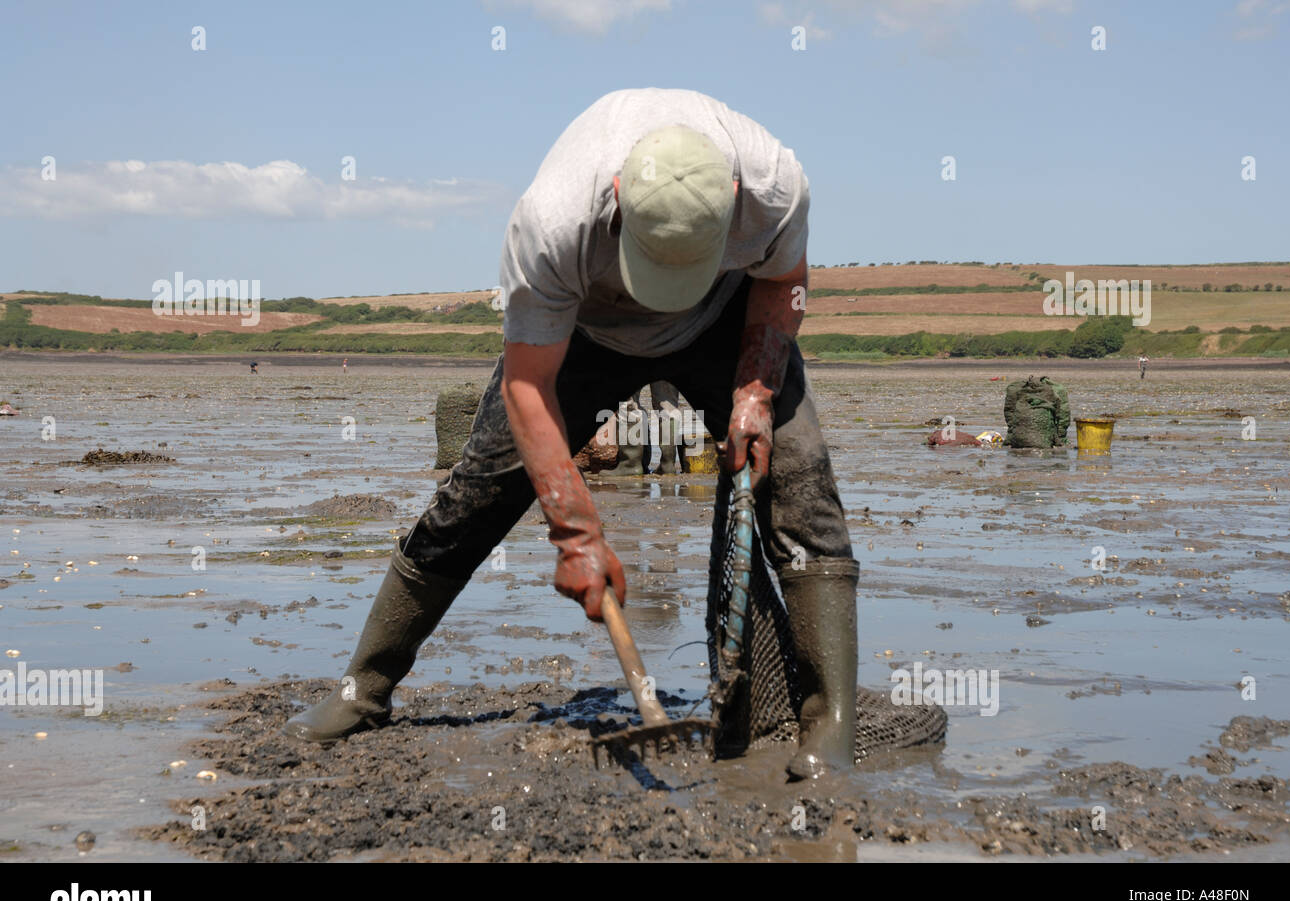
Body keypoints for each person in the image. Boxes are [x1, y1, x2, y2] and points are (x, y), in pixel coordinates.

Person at [285, 88, 859, 780]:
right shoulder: (553, 218)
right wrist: (576, 532)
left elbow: (785, 281)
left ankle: (829, 730)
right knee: (475, 496)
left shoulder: (776, 184)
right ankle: (363, 687)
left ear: (735, 199)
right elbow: (527, 386)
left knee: (800, 482)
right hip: (586, 335)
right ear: (616, 196)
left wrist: (756, 390)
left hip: (724, 324)